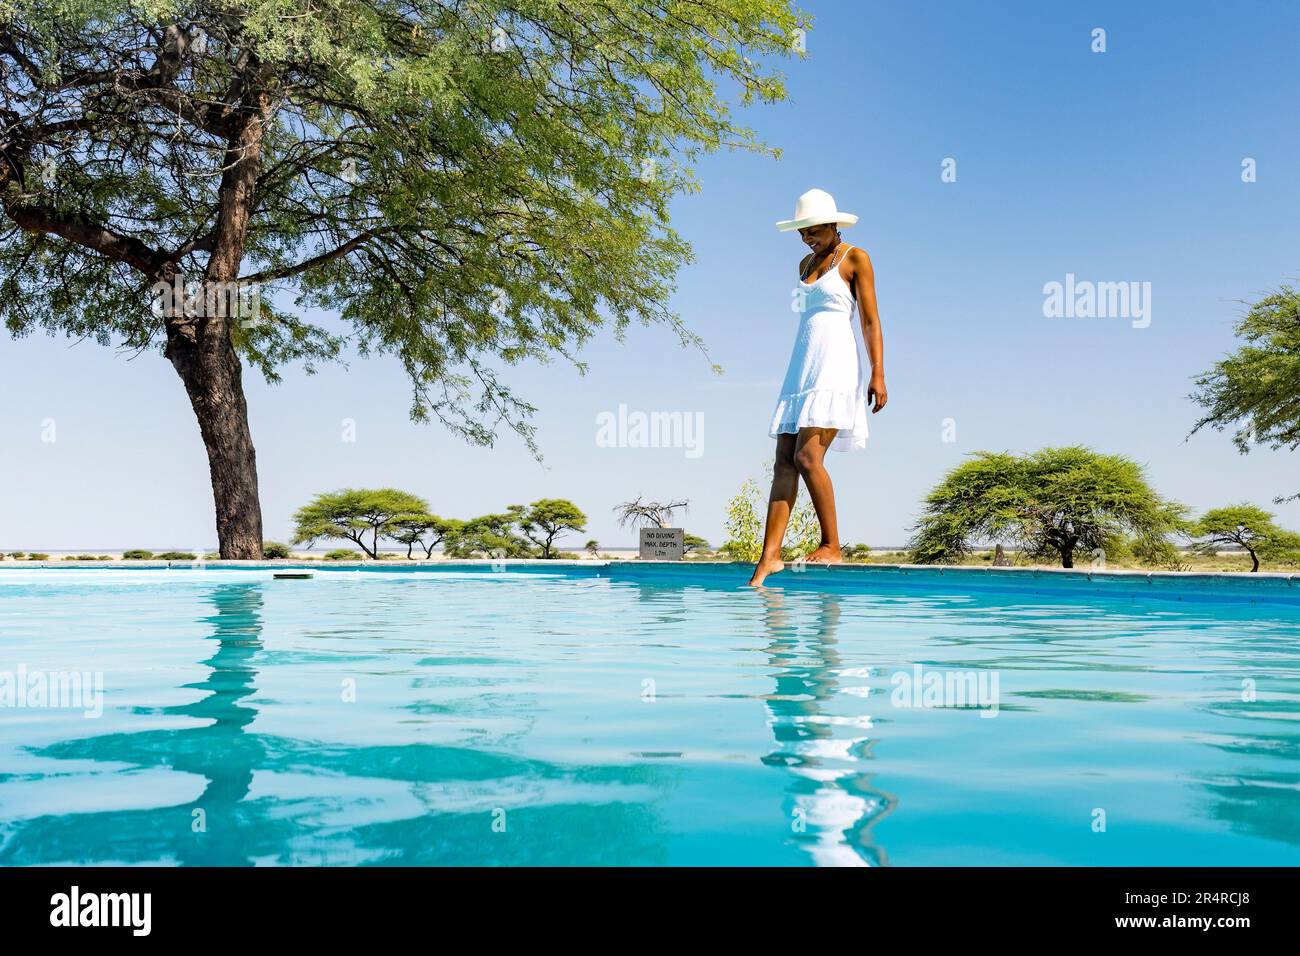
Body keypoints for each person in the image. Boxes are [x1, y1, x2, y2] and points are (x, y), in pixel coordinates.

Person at [749, 189, 888, 587]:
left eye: (813, 231)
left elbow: (870, 321)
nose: (807, 239)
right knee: (783, 459)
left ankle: (832, 545)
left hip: (836, 363)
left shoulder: (856, 258)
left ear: (833, 225)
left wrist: (878, 372)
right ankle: (769, 556)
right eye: (802, 232)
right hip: (802, 364)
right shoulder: (804, 264)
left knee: (808, 457)